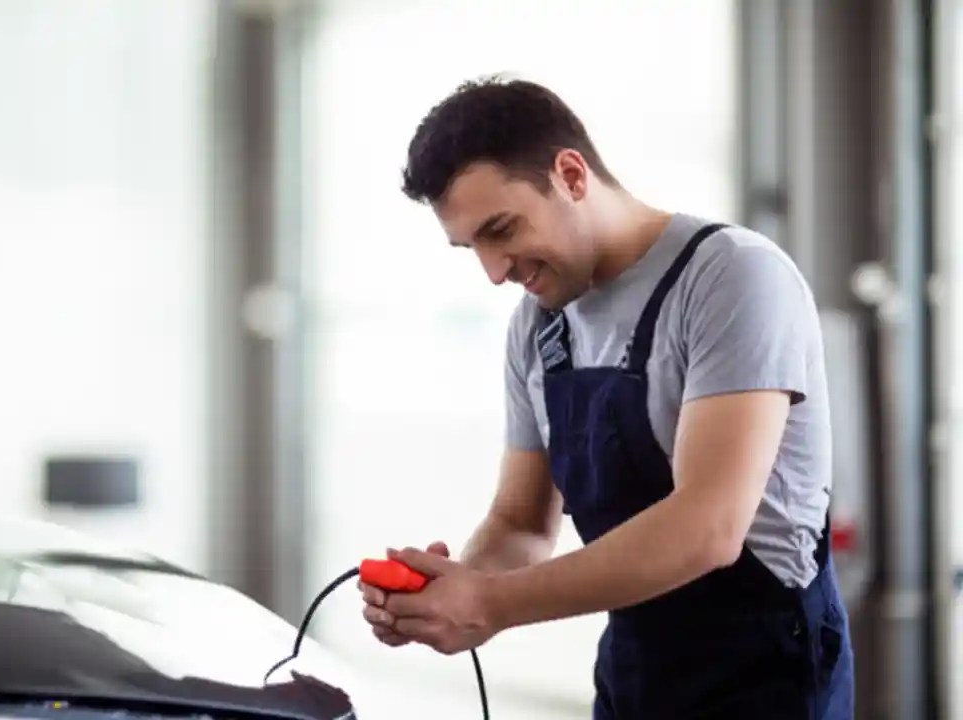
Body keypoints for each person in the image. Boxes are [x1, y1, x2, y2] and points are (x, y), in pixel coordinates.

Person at [358, 76, 855, 719]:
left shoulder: (731, 278)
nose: (494, 271)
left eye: (501, 229)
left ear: (570, 174)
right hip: (634, 674)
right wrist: (449, 592)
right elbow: (520, 524)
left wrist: (491, 606)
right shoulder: (540, 326)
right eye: (471, 248)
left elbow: (708, 527)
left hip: (764, 676)